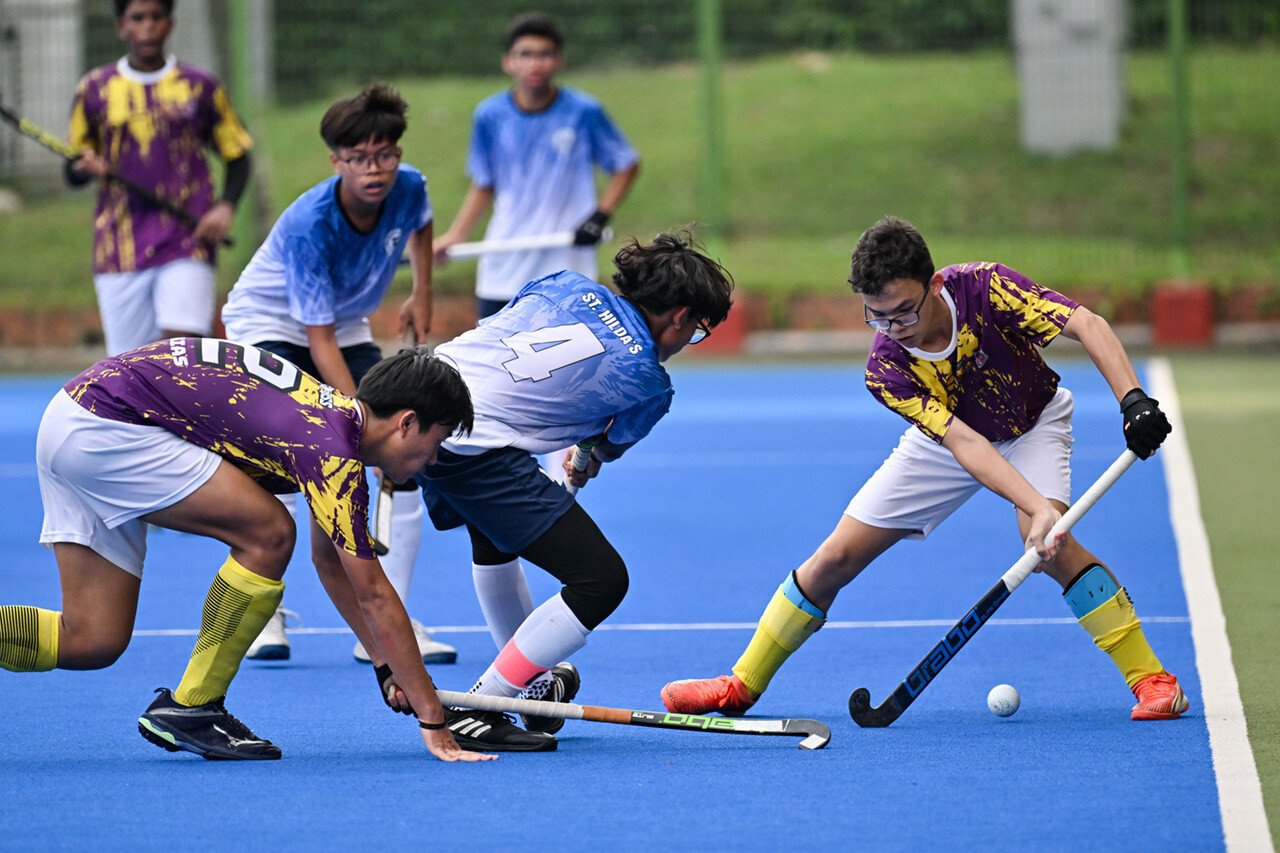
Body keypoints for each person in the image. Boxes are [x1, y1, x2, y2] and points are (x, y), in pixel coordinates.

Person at [661, 215, 1189, 722]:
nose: (894, 329)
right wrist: (1033, 503)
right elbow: (963, 444)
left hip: (1032, 422)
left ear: (934, 284)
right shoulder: (885, 367)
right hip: (948, 440)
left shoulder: (985, 287)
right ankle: (742, 684)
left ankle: (1153, 680)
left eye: (904, 312)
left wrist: (1133, 400)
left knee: (1046, 545)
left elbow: (1086, 324)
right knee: (835, 557)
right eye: (876, 316)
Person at [0, 339, 494, 764]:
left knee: (91, 639)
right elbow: (375, 595)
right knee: (269, 533)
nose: (432, 460)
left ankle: (190, 708)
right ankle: (193, 706)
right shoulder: (332, 453)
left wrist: (389, 665)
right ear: (407, 422)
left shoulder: (333, 431)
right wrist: (432, 716)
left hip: (77, 416)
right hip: (107, 425)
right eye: (437, 441)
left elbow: (333, 567)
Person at [402, 231, 733, 752]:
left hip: (422, 400)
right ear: (679, 316)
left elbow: (509, 339)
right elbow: (604, 444)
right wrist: (583, 459)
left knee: (494, 539)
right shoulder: (650, 380)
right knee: (601, 580)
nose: (687, 341)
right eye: (696, 330)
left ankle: (530, 688)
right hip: (477, 445)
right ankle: (483, 705)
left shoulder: (564, 283)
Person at [221, 83, 452, 666]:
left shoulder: (411, 185)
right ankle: (263, 613)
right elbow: (313, 339)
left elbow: (421, 225)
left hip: (342, 319)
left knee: (406, 443)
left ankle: (389, 612)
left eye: (385, 155)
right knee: (276, 456)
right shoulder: (310, 225)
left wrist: (421, 292)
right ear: (336, 162)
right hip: (269, 322)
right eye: (358, 159)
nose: (374, 170)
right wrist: (350, 418)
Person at [66, 0, 253, 356]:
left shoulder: (200, 86)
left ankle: (186, 412)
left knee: (183, 350)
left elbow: (238, 154)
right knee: (128, 364)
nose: (148, 27)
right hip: (119, 244)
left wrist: (226, 206)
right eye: (138, 18)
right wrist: (82, 166)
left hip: (187, 236)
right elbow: (73, 166)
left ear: (170, 24)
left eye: (157, 17)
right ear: (121, 26)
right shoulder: (94, 89)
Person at [432, 12, 641, 322]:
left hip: (567, 259)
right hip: (505, 258)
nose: (535, 63)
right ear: (508, 62)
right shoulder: (489, 115)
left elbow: (626, 164)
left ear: (559, 62)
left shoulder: (584, 111)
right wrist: (456, 234)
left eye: (545, 54)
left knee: (572, 362)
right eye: (525, 54)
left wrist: (599, 216)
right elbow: (483, 183)